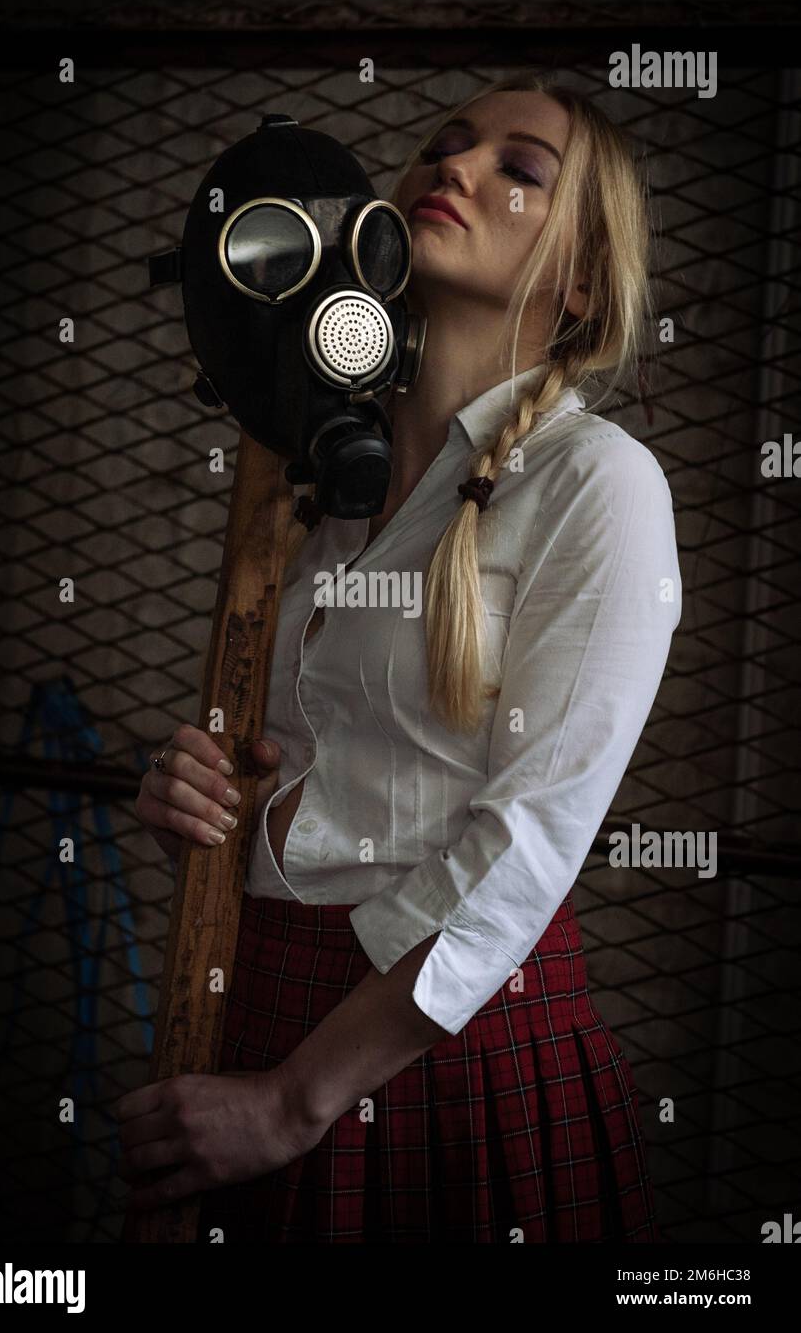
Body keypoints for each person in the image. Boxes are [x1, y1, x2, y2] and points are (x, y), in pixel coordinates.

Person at [118, 70, 682, 1242]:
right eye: (446, 143)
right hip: (255, 995)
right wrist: (211, 807)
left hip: (439, 1049)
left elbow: (528, 844)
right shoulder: (314, 489)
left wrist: (292, 1101)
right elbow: (323, 773)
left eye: (518, 171)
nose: (454, 170)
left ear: (578, 279)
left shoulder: (599, 485)